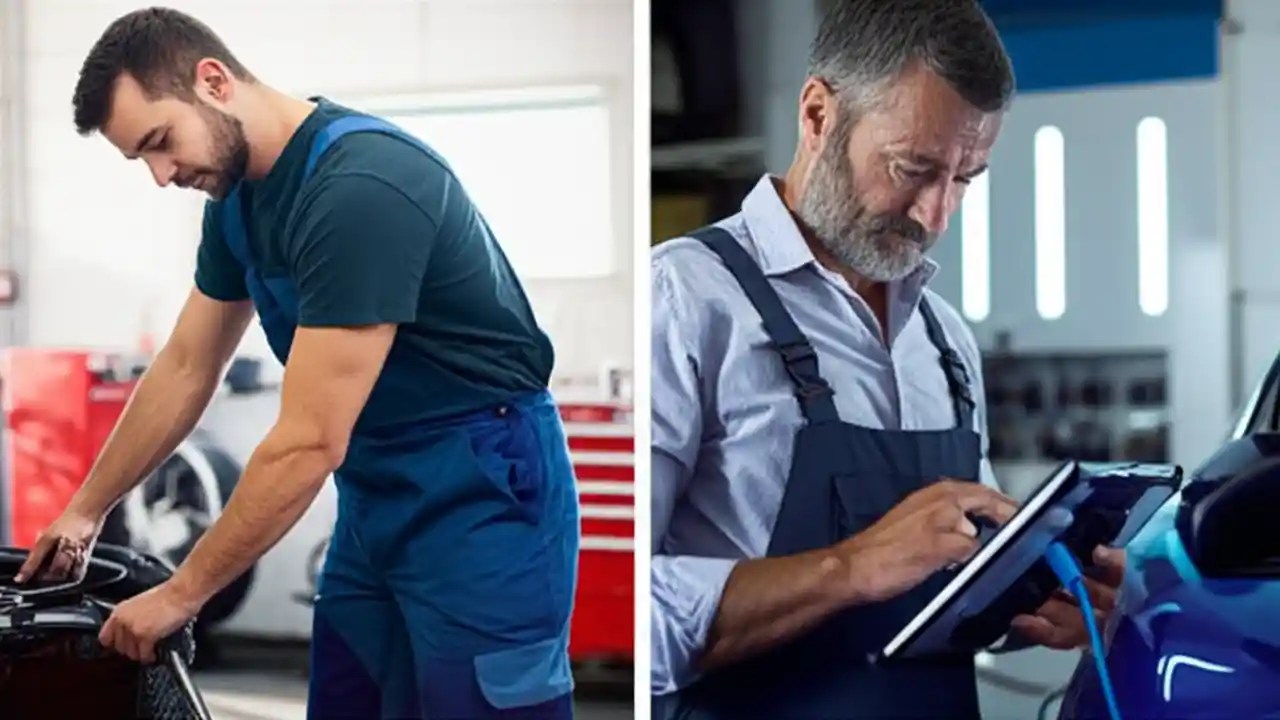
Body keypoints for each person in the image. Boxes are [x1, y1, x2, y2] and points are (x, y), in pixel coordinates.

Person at [16, 7, 579, 719]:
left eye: (160, 142)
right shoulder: (235, 202)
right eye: (142, 160)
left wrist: (183, 595)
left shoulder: (360, 187)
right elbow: (188, 364)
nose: (162, 175)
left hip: (483, 494)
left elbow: (310, 440)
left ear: (213, 81)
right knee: (350, 704)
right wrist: (85, 510)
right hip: (375, 500)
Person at [649, 1, 1125, 718]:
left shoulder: (946, 340)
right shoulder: (685, 300)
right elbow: (625, 615)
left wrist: (1040, 600)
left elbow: (957, 588)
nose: (936, 215)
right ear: (817, 116)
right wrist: (851, 568)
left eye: (965, 180)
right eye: (914, 168)